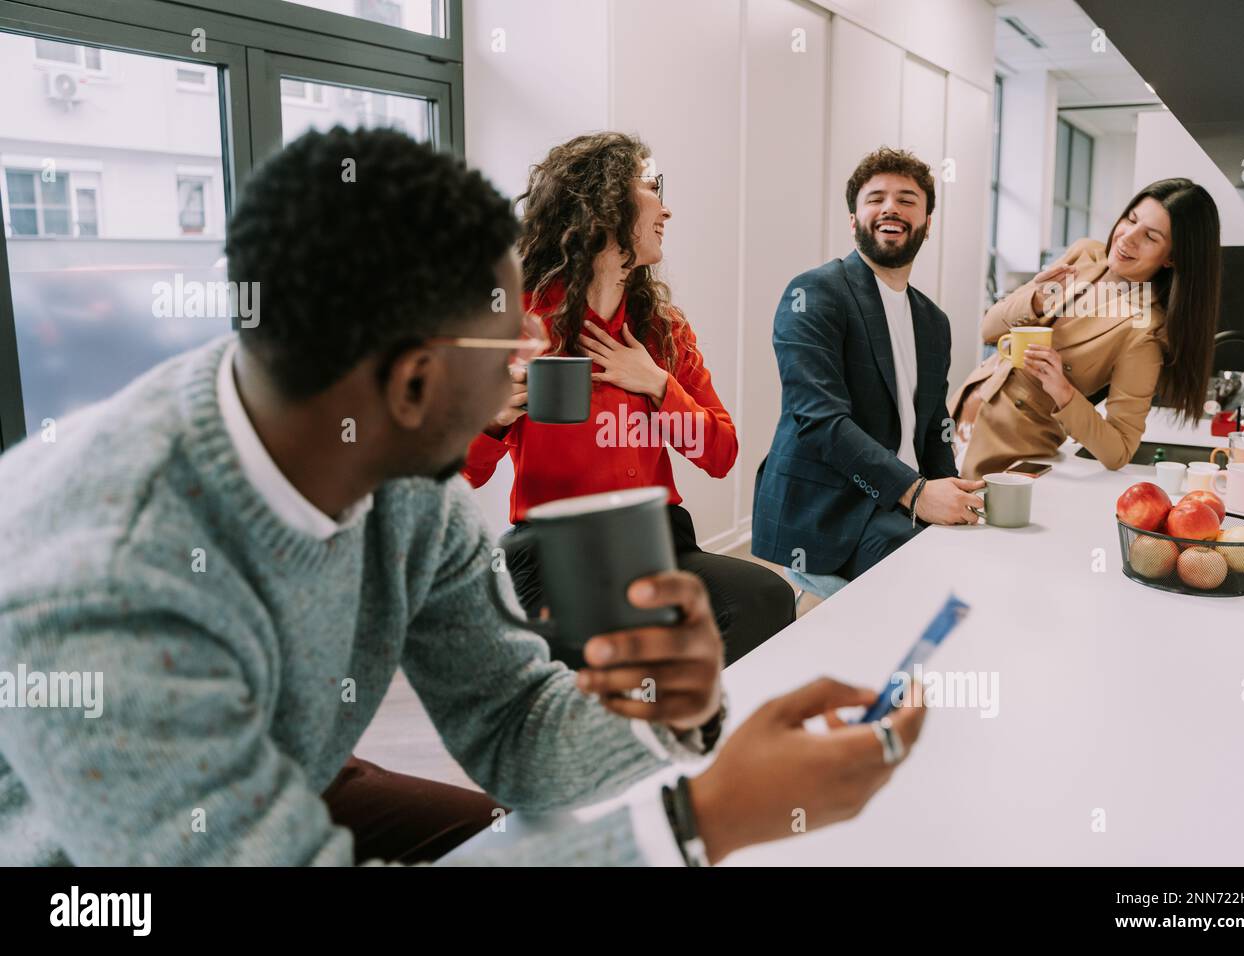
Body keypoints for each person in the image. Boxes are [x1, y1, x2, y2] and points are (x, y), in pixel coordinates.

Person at [0, 126, 925, 867]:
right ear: (411, 387)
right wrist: (700, 822)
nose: (526, 372)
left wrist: (665, 704)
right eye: (503, 352)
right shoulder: (105, 580)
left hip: (294, 770)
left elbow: (512, 718)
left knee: (508, 829)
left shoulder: (403, 485)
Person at [463, 132, 795, 666]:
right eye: (651, 186)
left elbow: (721, 454)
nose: (667, 207)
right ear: (604, 204)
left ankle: (675, 733)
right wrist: (496, 418)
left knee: (766, 597)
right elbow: (461, 473)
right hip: (553, 549)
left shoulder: (661, 328)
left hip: (657, 542)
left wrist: (658, 386)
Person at [752, 147, 983, 582]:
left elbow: (935, 425)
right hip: (831, 508)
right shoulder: (814, 294)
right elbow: (821, 422)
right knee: (927, 573)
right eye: (875, 198)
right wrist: (916, 494)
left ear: (927, 224)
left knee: (976, 558)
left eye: (907, 199)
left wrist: (952, 493)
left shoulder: (933, 321)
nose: (890, 207)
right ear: (854, 219)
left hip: (897, 500)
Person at [951, 178, 1221, 478]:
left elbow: (1119, 450)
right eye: (1130, 219)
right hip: (963, 410)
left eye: (1150, 237)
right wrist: (1035, 300)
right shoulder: (1085, 254)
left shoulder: (1145, 333)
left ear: (1172, 257)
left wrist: (1062, 391)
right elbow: (988, 329)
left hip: (1009, 454)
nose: (1127, 238)